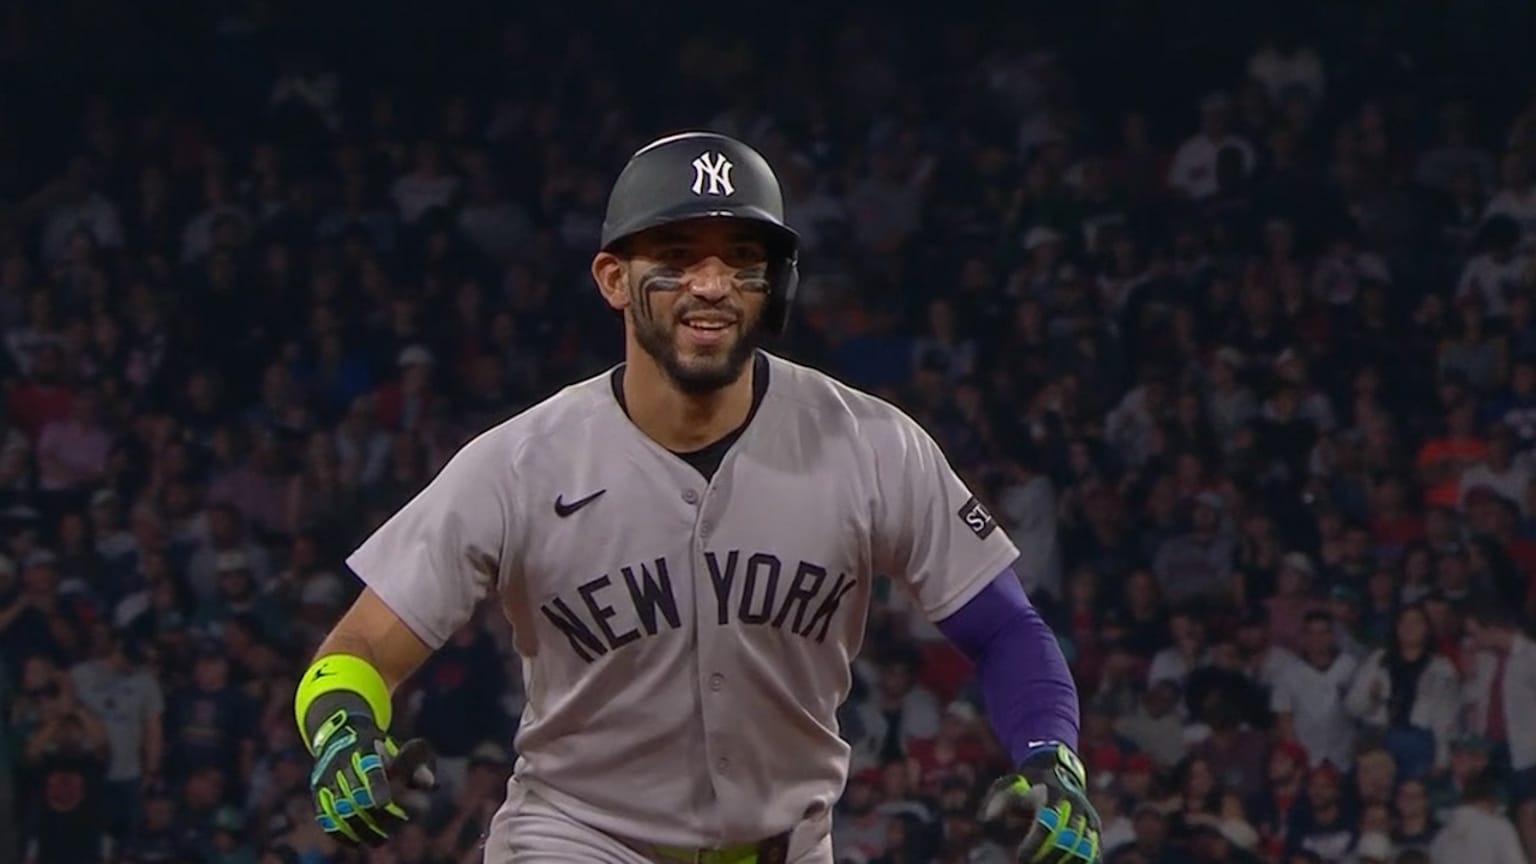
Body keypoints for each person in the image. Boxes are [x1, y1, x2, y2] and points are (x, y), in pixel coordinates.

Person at [292, 132, 1099, 864]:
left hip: (787, 846)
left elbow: (1003, 628)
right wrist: (343, 731)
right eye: (676, 255)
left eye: (741, 256)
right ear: (614, 278)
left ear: (773, 282)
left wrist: (1050, 756)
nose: (710, 283)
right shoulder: (519, 463)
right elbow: (357, 648)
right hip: (577, 841)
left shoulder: (872, 444)